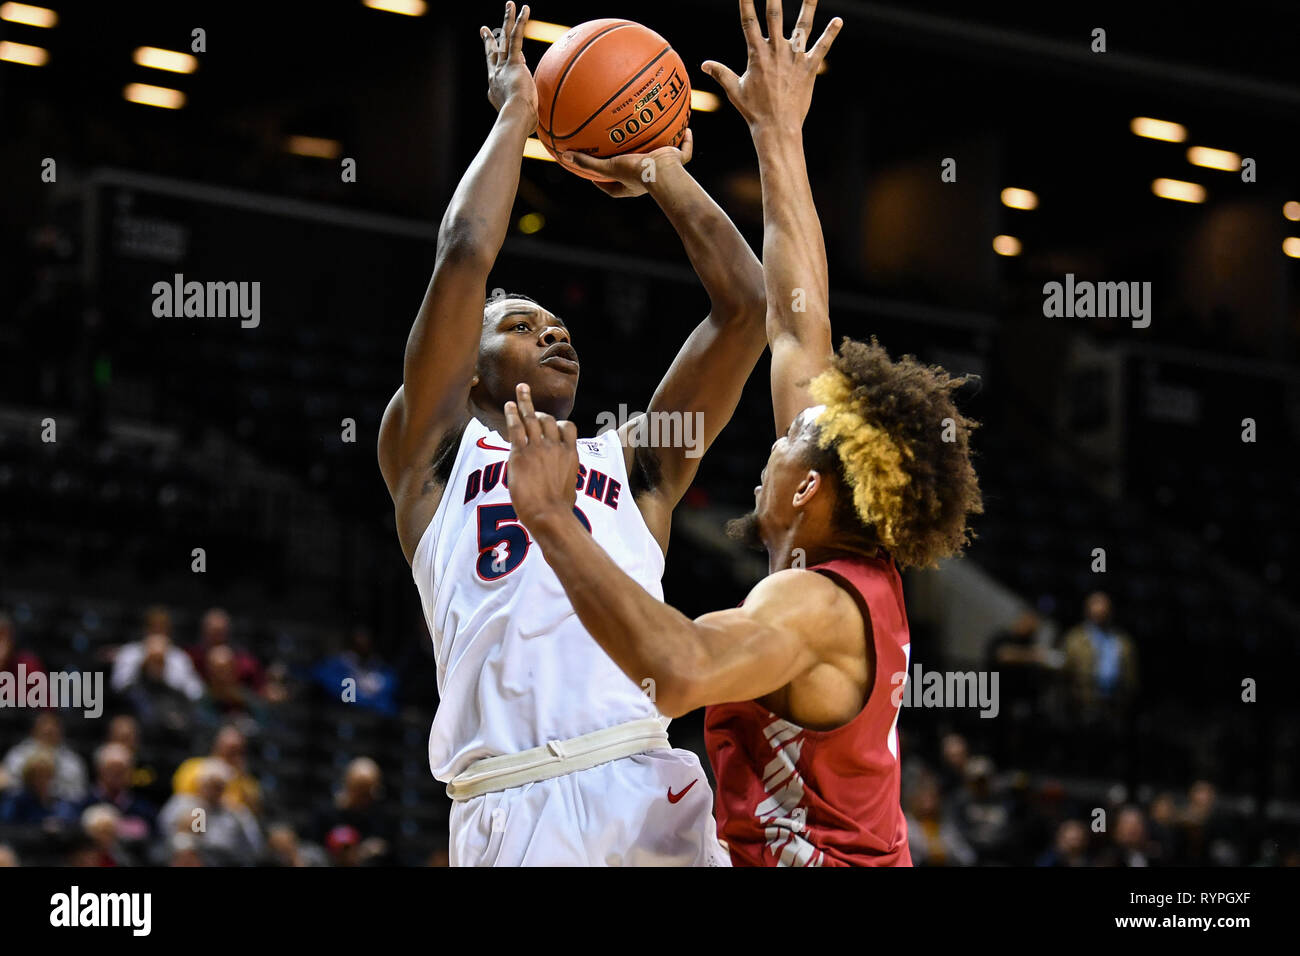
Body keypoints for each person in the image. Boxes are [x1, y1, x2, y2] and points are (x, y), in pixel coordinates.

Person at [503, 0, 982, 866]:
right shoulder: (846, 563)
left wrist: (552, 523)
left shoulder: (806, 606)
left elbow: (678, 671)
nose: (773, 442)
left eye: (786, 445)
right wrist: (776, 130)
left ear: (808, 488)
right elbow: (799, 325)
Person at [376, 3, 767, 866]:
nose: (553, 332)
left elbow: (746, 310)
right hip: (515, 795)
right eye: (520, 323)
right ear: (470, 369)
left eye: (558, 323)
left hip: (648, 778)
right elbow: (464, 254)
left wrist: (661, 171)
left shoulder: (633, 461)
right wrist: (518, 113)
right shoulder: (433, 455)